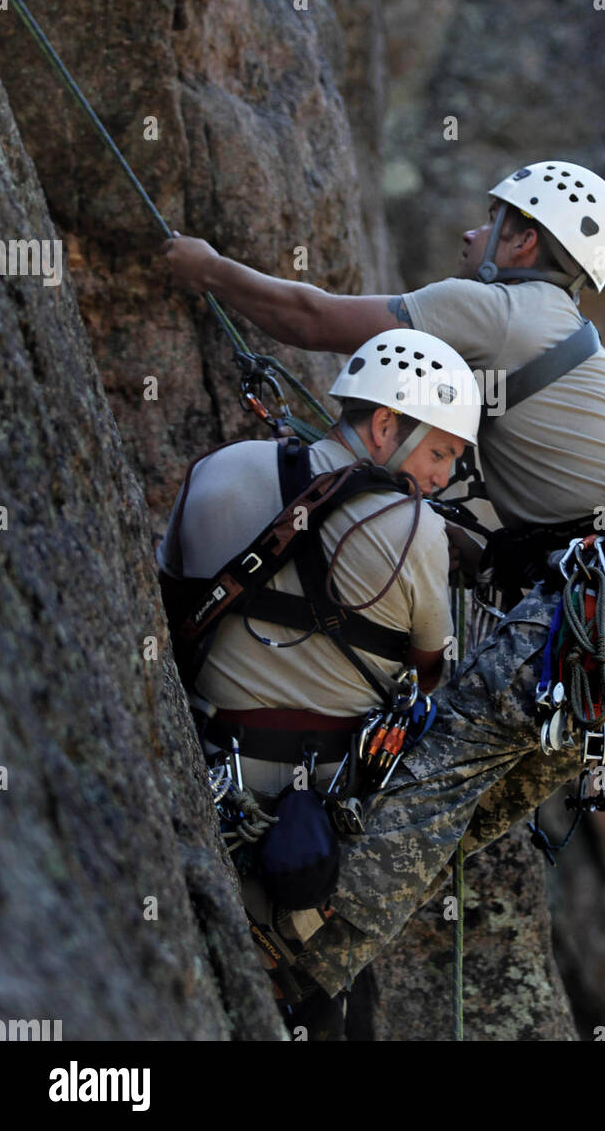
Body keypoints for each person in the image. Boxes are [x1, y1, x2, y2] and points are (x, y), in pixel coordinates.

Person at [161, 162, 605, 1002]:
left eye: (489, 223)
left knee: (435, 762)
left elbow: (310, 317)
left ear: (523, 241)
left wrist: (207, 271)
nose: (468, 238)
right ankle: (309, 936)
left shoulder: (496, 307)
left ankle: (296, 959)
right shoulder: (571, 350)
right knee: (466, 807)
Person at [156, 328, 481, 1017]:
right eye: (440, 451)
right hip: (323, 821)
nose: (443, 477)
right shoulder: (415, 529)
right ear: (386, 424)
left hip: (202, 780)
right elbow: (429, 673)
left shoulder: (218, 469)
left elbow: (165, 601)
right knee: (332, 1002)